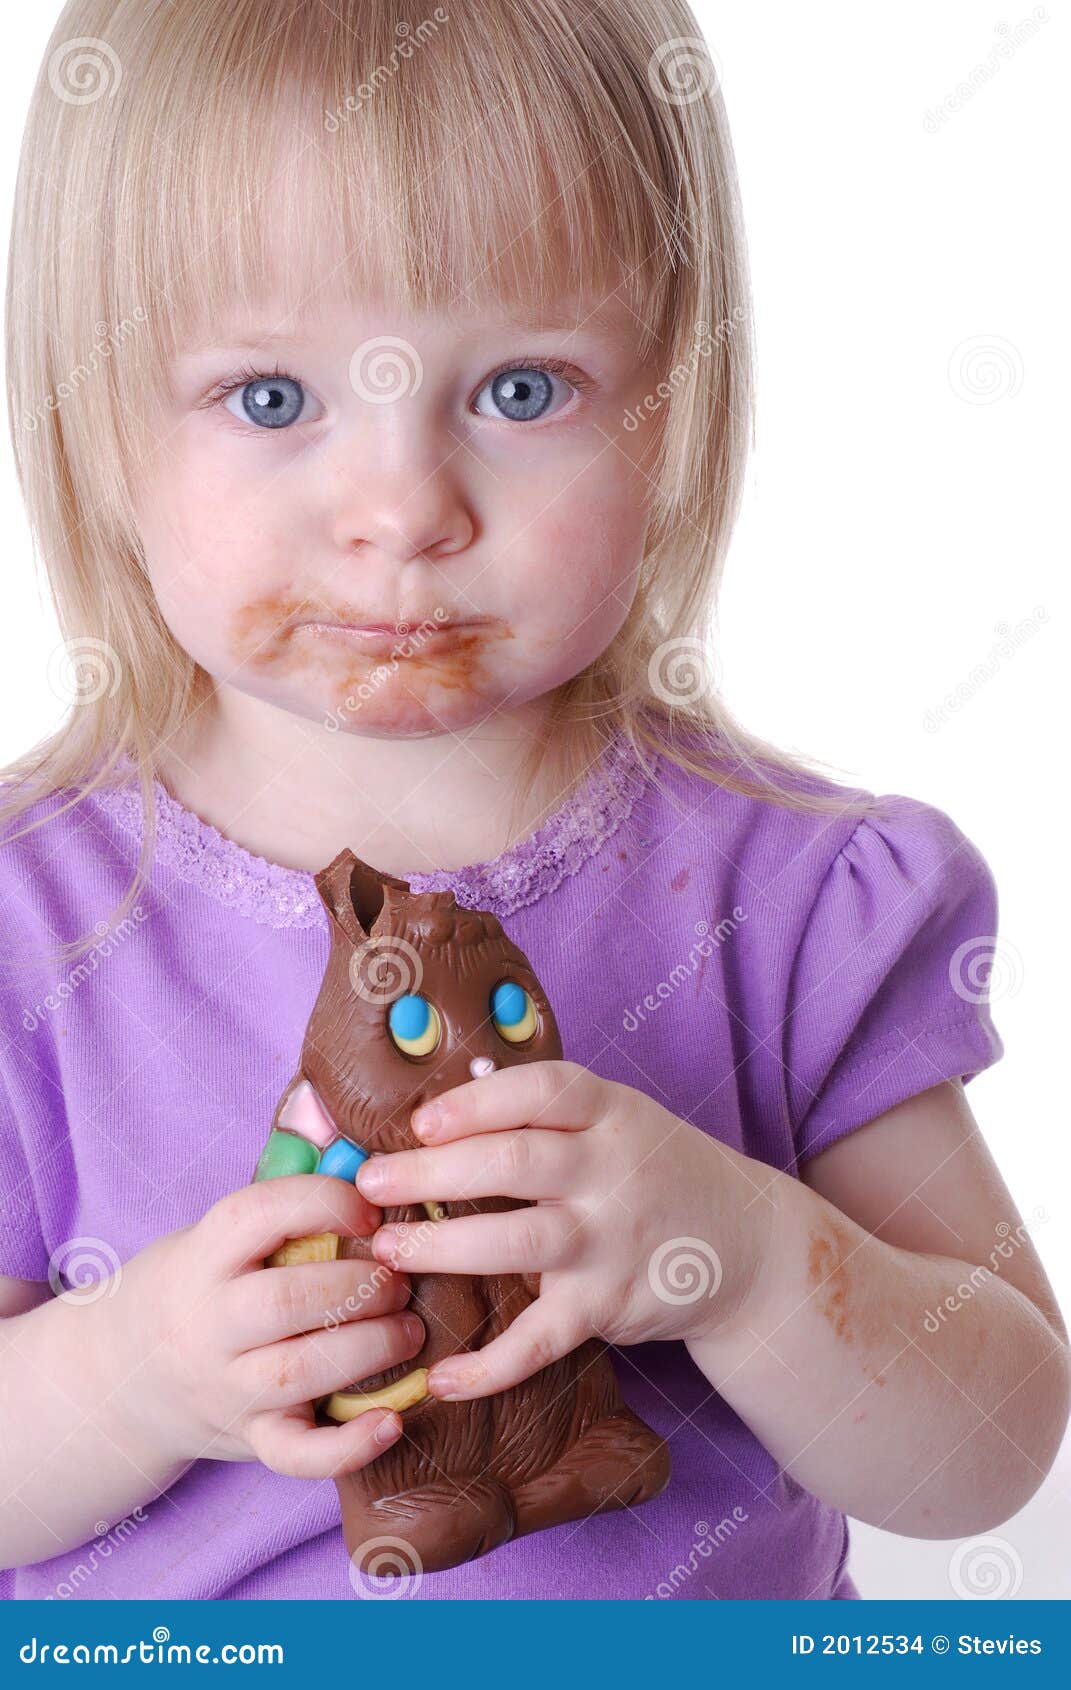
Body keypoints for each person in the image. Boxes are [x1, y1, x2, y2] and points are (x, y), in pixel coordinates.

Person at [0, 0, 1066, 1601]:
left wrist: (746, 1258)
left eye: (521, 389)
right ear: (96, 425)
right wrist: (133, 1373)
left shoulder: (789, 901)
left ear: (674, 401)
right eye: (272, 399)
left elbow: (995, 1439)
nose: (402, 512)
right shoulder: (32, 932)